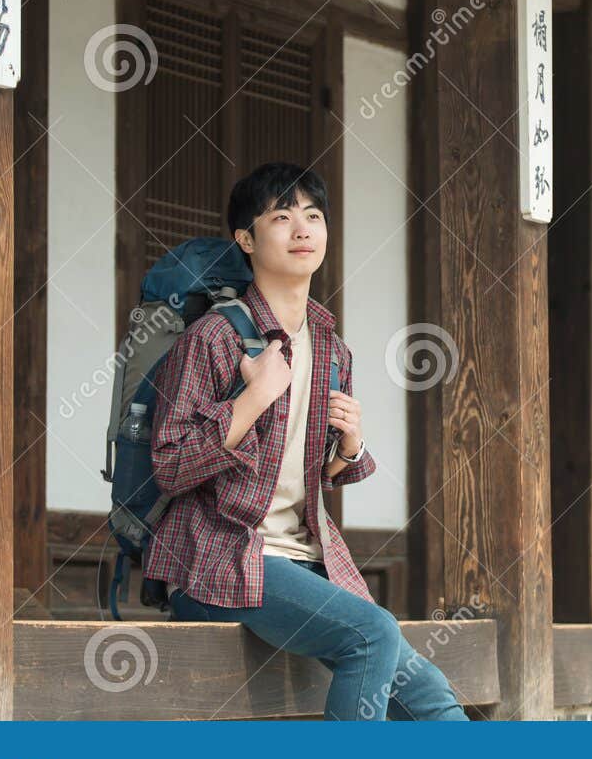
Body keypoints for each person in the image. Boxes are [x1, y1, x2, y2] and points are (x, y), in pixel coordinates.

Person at [146, 161, 468, 721]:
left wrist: (351, 447)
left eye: (313, 216)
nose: (302, 229)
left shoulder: (332, 350)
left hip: (306, 563)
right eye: (282, 216)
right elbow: (169, 466)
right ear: (246, 238)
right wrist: (251, 401)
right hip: (220, 559)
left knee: (429, 695)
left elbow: (313, 477)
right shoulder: (215, 338)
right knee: (369, 635)